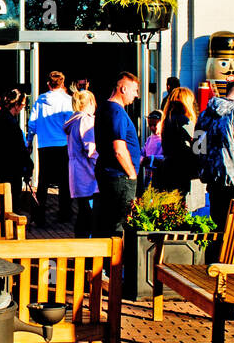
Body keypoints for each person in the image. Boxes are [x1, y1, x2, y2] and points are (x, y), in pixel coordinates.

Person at [195, 81, 234, 231]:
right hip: (233, 180)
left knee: (217, 223)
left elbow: (197, 146)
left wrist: (203, 170)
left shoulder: (205, 114)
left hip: (212, 179)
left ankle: (216, 253)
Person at [93, 71, 141, 237]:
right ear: (123, 89)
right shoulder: (116, 111)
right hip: (119, 176)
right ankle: (114, 262)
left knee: (106, 220)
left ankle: (103, 260)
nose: (136, 95)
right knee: (118, 223)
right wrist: (132, 174)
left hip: (109, 173)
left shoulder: (104, 108)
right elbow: (119, 149)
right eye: (134, 90)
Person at [27, 71, 73, 221]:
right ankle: (64, 214)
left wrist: (29, 141)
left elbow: (32, 123)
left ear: (48, 84)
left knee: (43, 181)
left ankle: (39, 215)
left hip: (45, 144)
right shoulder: (67, 100)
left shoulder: (40, 100)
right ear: (62, 83)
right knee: (65, 181)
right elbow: (70, 123)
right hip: (63, 144)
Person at [0, 88, 32, 207]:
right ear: (16, 104)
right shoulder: (11, 123)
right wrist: (28, 164)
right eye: (22, 105)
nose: (22, 108)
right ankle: (9, 222)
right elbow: (19, 148)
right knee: (12, 199)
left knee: (3, 200)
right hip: (11, 167)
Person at [64, 87, 98, 238]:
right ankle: (88, 254)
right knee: (89, 216)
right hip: (88, 175)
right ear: (90, 102)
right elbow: (91, 148)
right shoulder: (86, 120)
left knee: (83, 214)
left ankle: (80, 249)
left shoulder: (74, 122)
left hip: (77, 174)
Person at [156, 86, 200, 200]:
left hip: (168, 169)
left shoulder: (167, 120)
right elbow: (198, 147)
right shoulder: (185, 121)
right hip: (183, 171)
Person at [140, 110, 164, 190]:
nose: (152, 128)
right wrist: (141, 159)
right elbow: (142, 152)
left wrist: (151, 159)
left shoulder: (164, 139)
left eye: (155, 125)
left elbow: (166, 157)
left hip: (159, 175)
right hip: (148, 175)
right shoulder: (149, 139)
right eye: (150, 125)